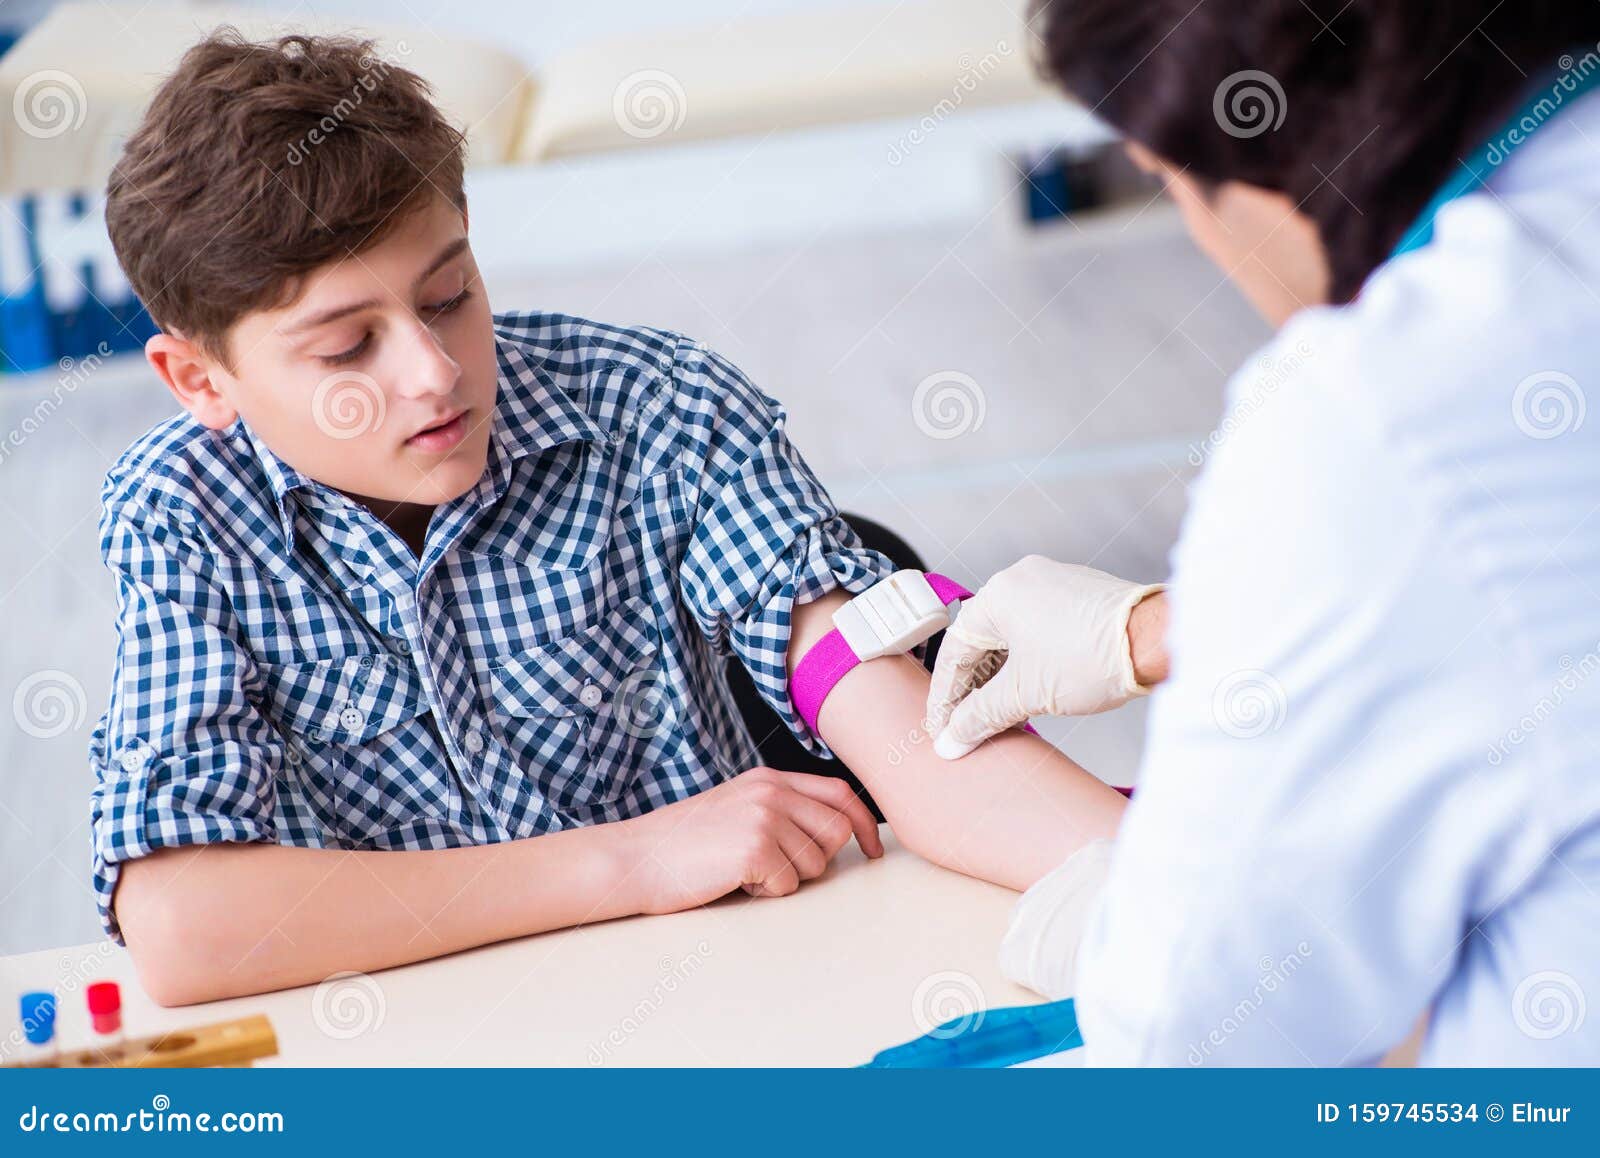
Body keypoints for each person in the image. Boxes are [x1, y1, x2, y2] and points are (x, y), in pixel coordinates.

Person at [92, 29, 1123, 1005]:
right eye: (344, 348)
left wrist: (1157, 876)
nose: (433, 372)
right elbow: (185, 925)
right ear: (199, 380)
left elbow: (901, 734)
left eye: (449, 294)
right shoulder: (183, 517)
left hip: (732, 999)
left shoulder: (659, 405)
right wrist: (627, 859)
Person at [926, 0, 1600, 1064]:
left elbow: (1198, 1044)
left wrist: (1121, 928)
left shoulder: (1387, 407)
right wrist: (1172, 627)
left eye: (1165, 182)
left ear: (1257, 144)